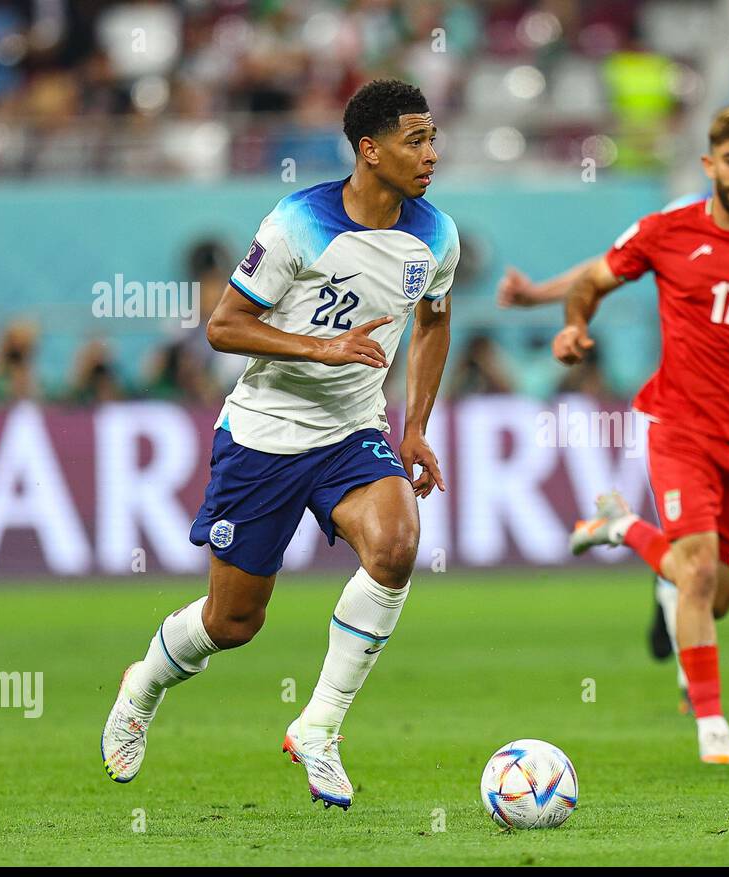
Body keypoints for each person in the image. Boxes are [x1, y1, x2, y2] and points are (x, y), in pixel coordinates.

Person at [100, 79, 459, 810]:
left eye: (432, 137)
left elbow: (433, 321)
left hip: (353, 431)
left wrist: (416, 423)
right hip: (263, 435)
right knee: (234, 623)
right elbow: (224, 326)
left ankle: (320, 726)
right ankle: (142, 686)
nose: (431, 153)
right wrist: (321, 350)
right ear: (370, 149)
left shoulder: (436, 236)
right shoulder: (299, 223)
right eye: (415, 139)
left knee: (395, 547)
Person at [497, 97, 729, 689]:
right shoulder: (685, 215)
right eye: (728, 154)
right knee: (698, 560)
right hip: (688, 405)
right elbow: (610, 265)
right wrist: (544, 295)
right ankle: (692, 680)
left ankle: (642, 550)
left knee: (720, 578)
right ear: (714, 160)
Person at [556, 104, 729, 764]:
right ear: (709, 165)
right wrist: (573, 325)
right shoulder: (666, 231)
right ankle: (712, 727)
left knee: (720, 595)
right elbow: (592, 280)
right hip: (678, 426)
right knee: (698, 574)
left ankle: (619, 528)